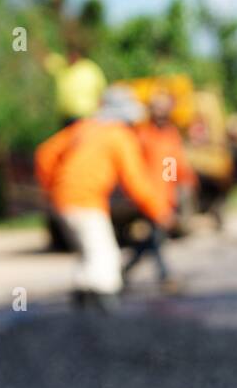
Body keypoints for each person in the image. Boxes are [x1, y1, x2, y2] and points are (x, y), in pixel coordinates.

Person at [35, 87, 173, 312]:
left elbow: (44, 154)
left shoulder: (83, 128)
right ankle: (106, 320)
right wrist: (159, 211)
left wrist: (52, 187)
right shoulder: (118, 135)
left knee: (89, 257)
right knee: (106, 259)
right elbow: (135, 180)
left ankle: (83, 313)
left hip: (63, 201)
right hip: (85, 201)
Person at [124, 90, 197, 291]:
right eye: (156, 107)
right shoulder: (143, 134)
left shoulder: (171, 135)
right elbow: (133, 166)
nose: (159, 112)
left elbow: (174, 165)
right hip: (148, 196)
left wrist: (182, 188)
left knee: (153, 239)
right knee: (157, 237)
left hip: (166, 195)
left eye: (163, 108)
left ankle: (124, 271)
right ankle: (165, 276)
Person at [43, 43, 107, 126]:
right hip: (66, 119)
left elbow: (102, 94)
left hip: (87, 118)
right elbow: (44, 58)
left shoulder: (90, 68)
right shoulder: (62, 66)